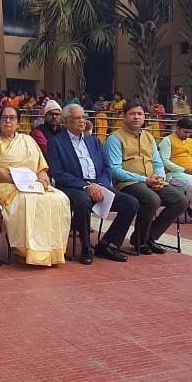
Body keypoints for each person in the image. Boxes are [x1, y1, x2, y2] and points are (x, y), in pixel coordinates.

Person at [45, 104, 136, 264]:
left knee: (131, 203)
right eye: (77, 118)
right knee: (83, 201)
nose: (82, 121)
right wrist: (85, 186)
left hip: (99, 185)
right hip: (73, 187)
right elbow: (58, 173)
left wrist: (99, 184)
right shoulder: (56, 142)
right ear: (66, 122)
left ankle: (107, 244)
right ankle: (86, 247)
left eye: (83, 117)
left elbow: (107, 167)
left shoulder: (93, 141)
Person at [0, 105, 71, 266]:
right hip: (4, 184)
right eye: (4, 118)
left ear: (18, 123)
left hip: (31, 184)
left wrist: (43, 180)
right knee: (26, 201)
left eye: (12, 118)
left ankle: (50, 251)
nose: (8, 121)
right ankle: (23, 250)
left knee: (59, 199)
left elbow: (41, 167)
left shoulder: (28, 140)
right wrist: (19, 182)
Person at [104, 103, 184, 255]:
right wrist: (144, 179)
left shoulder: (149, 137)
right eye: (132, 114)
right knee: (152, 199)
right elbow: (115, 170)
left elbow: (157, 162)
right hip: (128, 183)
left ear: (144, 117)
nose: (136, 117)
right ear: (124, 116)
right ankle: (141, 241)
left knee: (180, 200)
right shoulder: (115, 138)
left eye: (140, 114)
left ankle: (149, 237)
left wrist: (160, 177)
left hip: (151, 181)